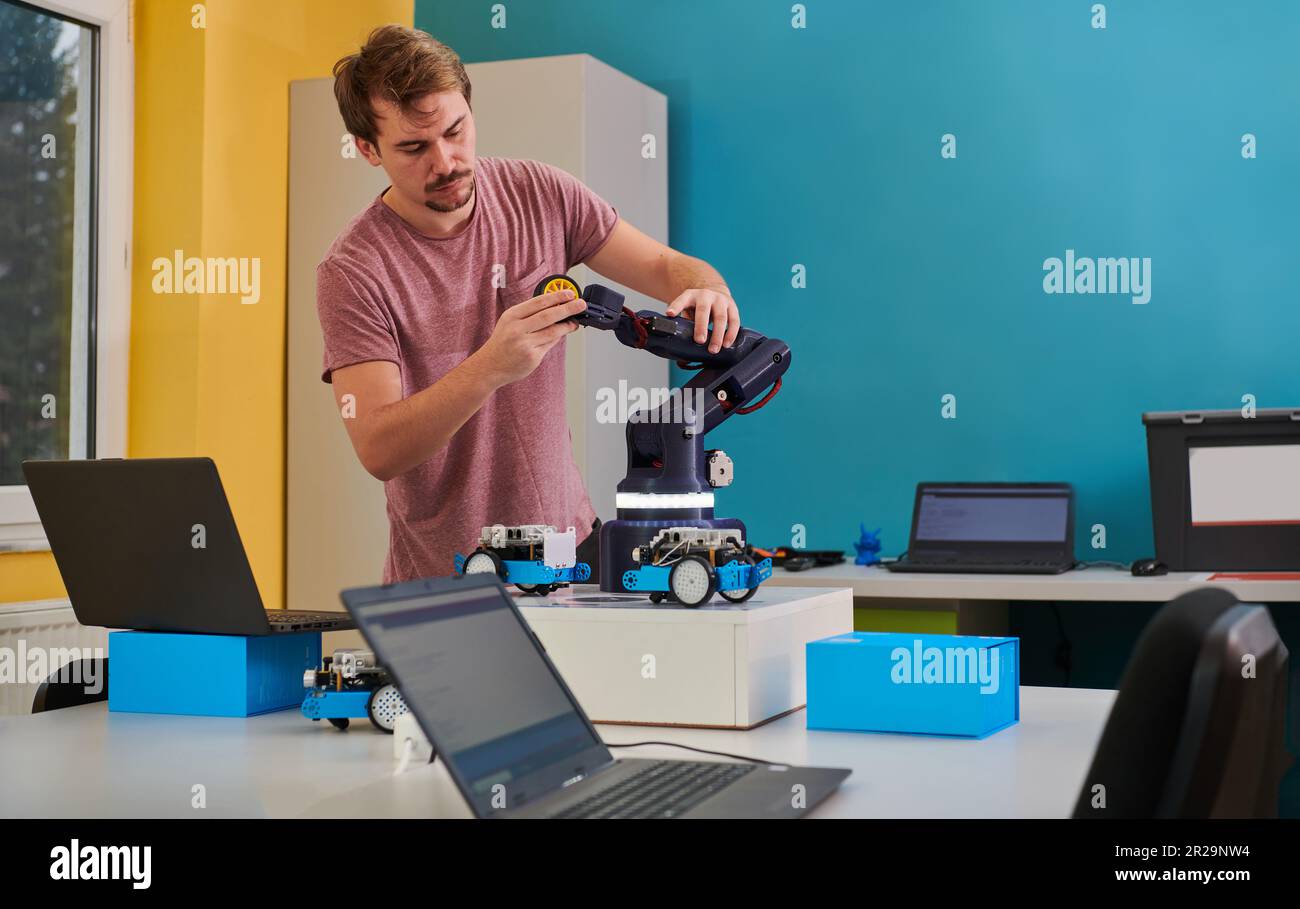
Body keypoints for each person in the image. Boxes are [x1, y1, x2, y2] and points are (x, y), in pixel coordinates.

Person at [318, 25, 742, 584]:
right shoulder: (354, 269)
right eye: (414, 148)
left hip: (574, 551)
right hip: (446, 578)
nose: (446, 162)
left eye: (455, 130)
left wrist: (709, 288)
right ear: (368, 149)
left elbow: (667, 267)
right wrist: (493, 365)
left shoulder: (540, 193)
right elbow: (379, 447)